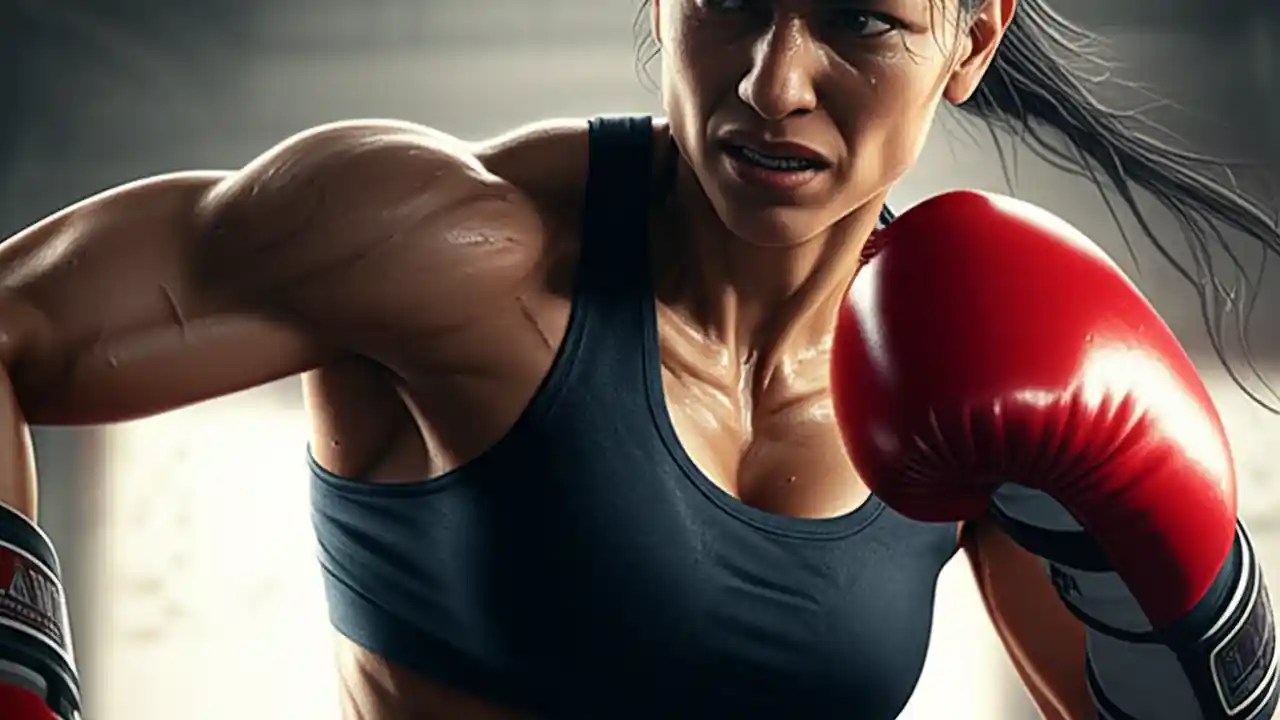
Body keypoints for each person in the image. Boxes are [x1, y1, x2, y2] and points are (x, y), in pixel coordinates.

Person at [0, 0, 1276, 717]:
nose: (773, 83)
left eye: (858, 21)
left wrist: (1211, 590)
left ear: (972, 39)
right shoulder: (449, 247)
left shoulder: (985, 365)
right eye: (729, 0)